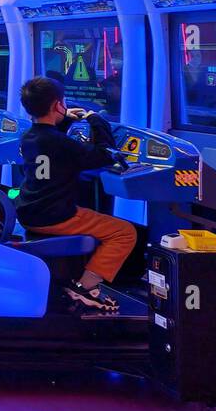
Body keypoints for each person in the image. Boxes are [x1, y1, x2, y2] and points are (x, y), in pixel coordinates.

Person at [15, 76, 137, 314]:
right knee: (125, 232)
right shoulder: (60, 144)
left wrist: (65, 120)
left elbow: (51, 141)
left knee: (92, 214)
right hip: (56, 216)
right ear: (56, 105)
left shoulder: (30, 137)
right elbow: (104, 154)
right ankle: (83, 287)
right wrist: (96, 119)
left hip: (29, 211)